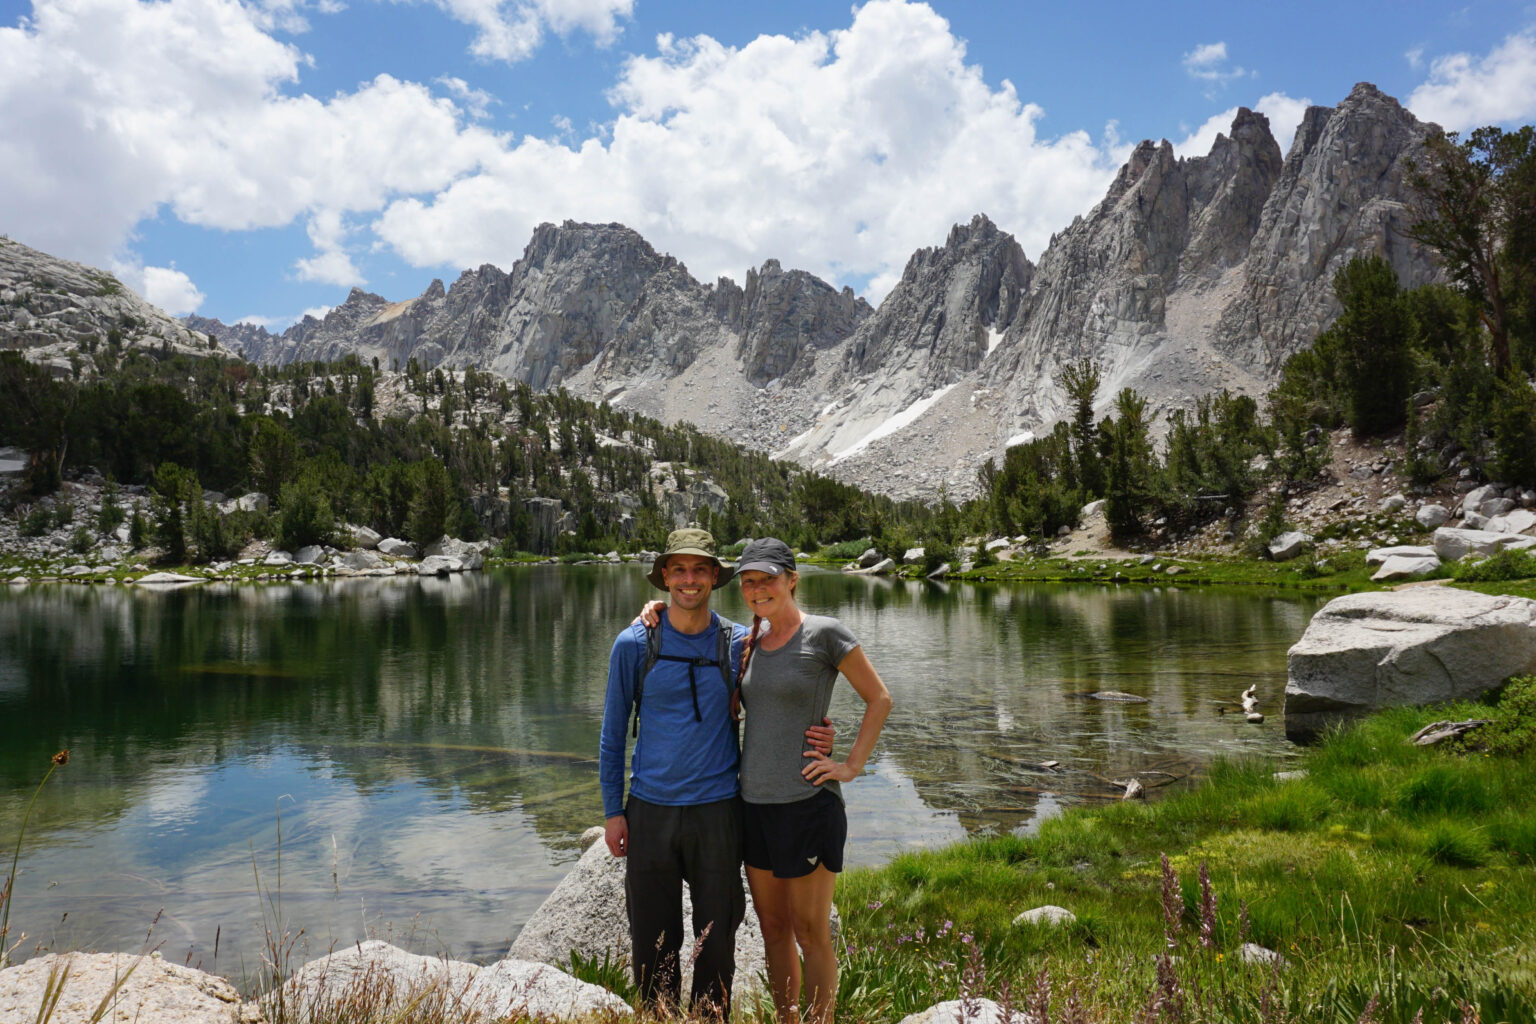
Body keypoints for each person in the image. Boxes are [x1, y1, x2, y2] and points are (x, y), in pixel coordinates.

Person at [639, 536, 892, 1024]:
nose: (757, 589)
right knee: (773, 931)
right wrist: (651, 608)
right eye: (749, 581)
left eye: (768, 579)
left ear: (792, 580)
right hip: (752, 807)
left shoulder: (826, 634)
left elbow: (879, 699)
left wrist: (850, 766)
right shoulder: (747, 642)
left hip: (806, 803)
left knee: (811, 932)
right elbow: (687, 625)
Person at [598, 528, 833, 1019]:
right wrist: (612, 812)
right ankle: (658, 1016)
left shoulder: (738, 643)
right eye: (678, 569)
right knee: (653, 942)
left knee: (718, 939)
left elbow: (784, 694)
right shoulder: (633, 643)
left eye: (700, 569)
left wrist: (823, 735)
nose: (689, 580)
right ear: (664, 576)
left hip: (719, 812)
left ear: (715, 578)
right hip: (651, 811)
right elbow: (613, 734)